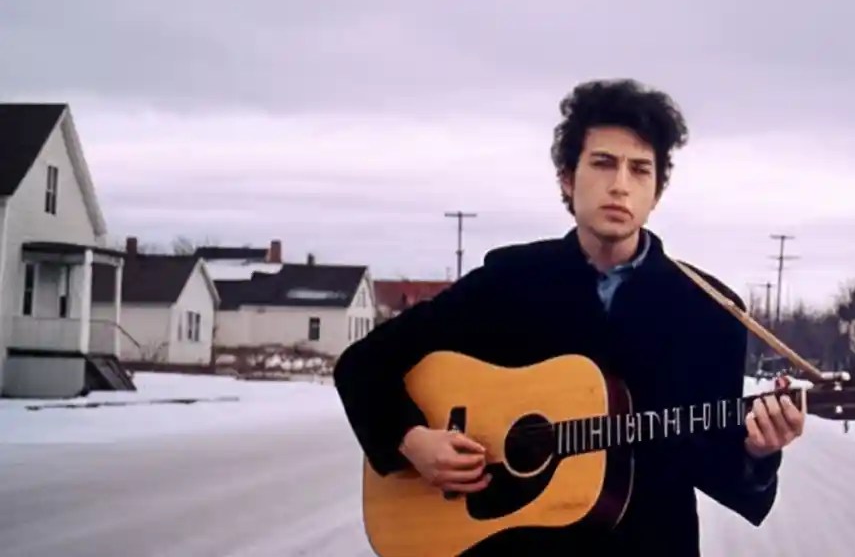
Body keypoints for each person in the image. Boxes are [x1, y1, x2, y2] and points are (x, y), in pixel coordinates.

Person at [333, 78, 805, 555]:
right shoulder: (509, 281)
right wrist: (412, 440)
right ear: (567, 177)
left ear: (656, 192)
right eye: (603, 163)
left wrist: (760, 451)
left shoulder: (709, 311)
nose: (620, 185)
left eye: (640, 170)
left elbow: (714, 464)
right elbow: (363, 364)